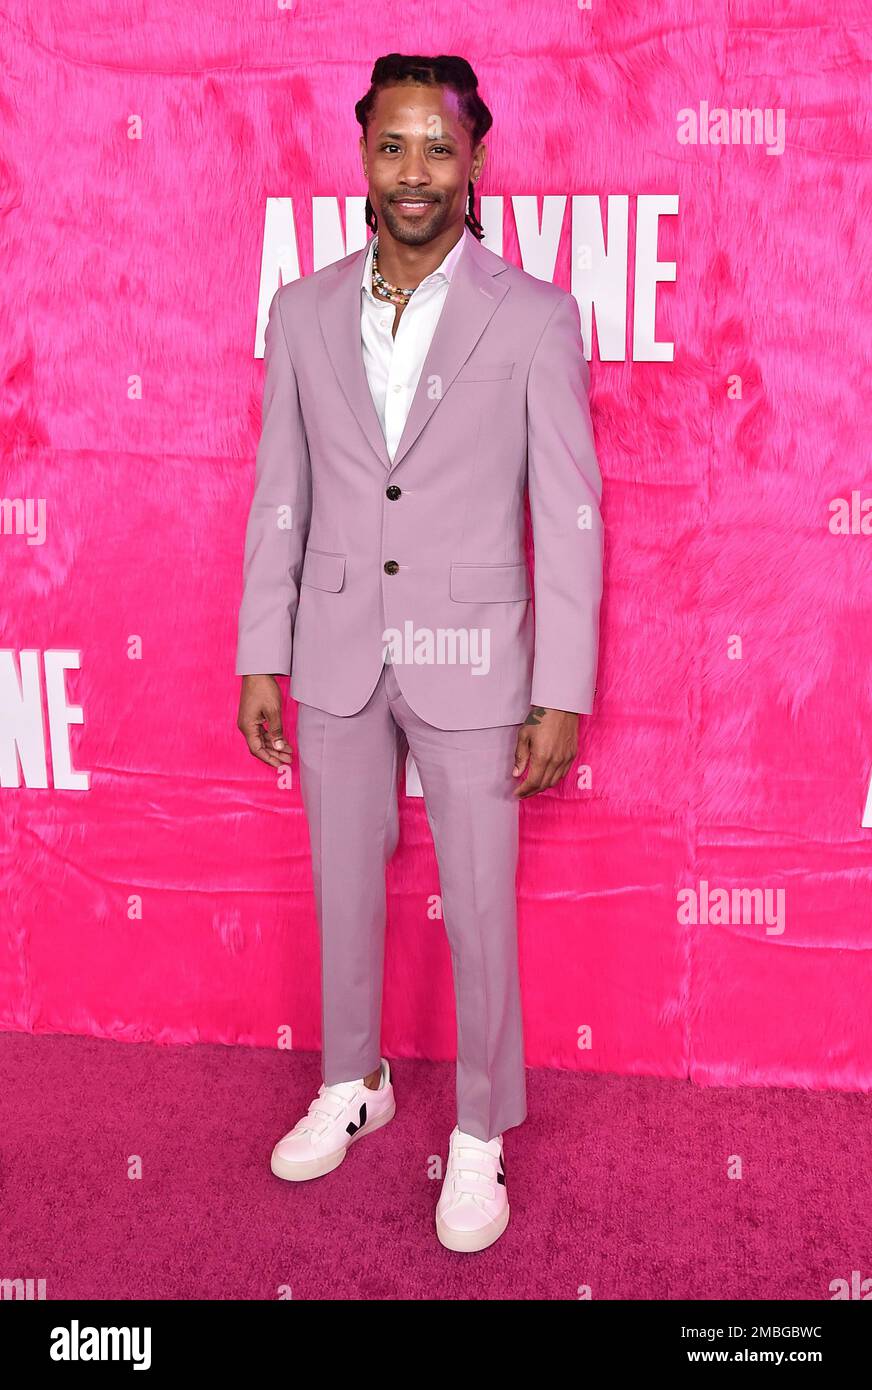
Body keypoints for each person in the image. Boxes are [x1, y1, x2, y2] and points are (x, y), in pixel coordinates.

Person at [235, 53, 603, 1253]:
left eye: (436, 148)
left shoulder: (535, 315)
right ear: (362, 158)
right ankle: (355, 1082)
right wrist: (259, 651)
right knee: (342, 880)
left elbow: (569, 510)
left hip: (475, 656)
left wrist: (559, 689)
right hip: (333, 645)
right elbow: (277, 495)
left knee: (481, 905)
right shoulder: (300, 311)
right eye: (392, 146)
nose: (413, 171)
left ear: (474, 162)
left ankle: (481, 1133)